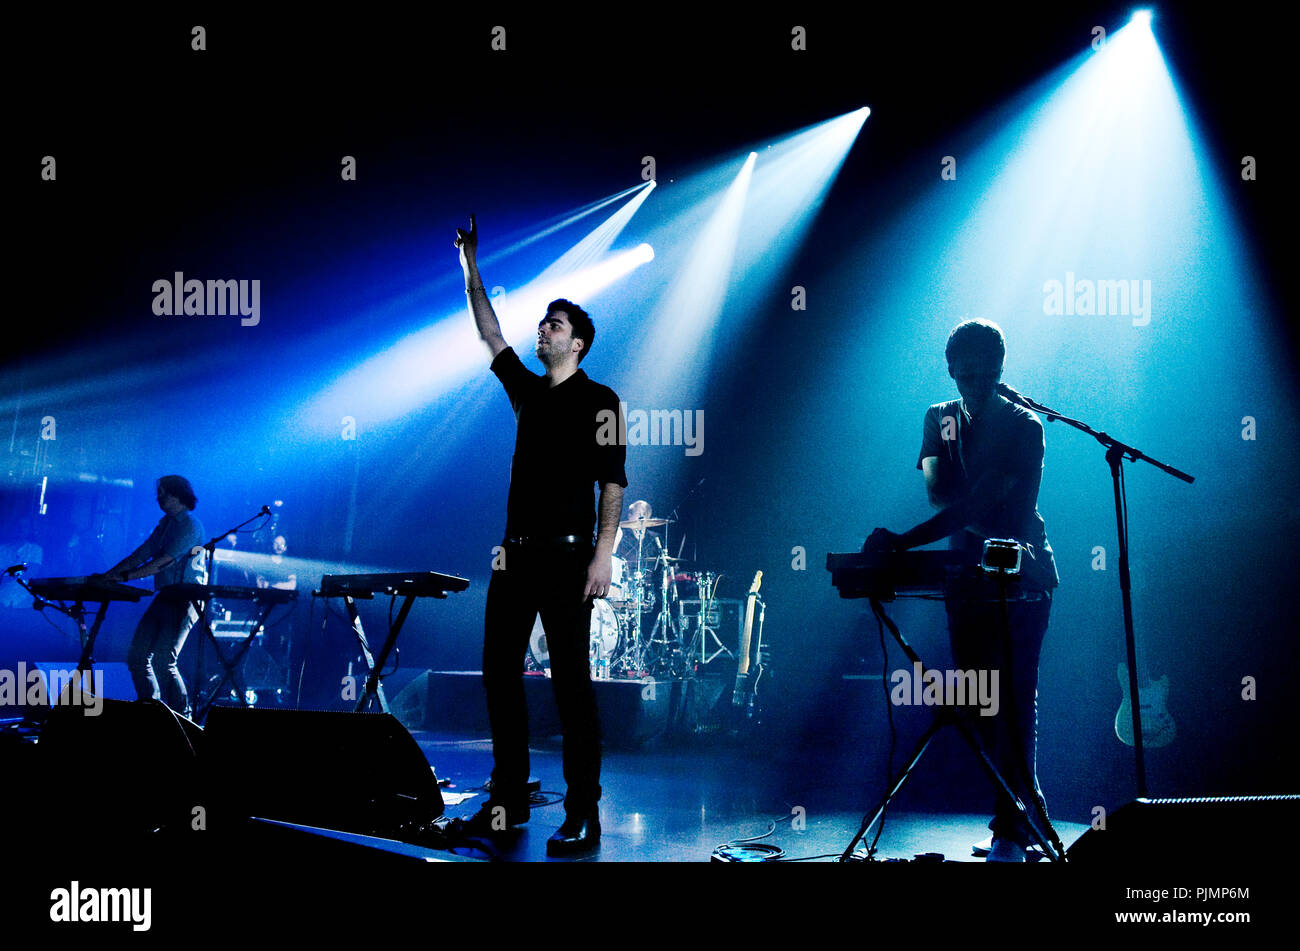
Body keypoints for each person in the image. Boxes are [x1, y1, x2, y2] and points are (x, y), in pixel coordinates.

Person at [453, 215, 627, 856]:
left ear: (577, 342)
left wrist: (603, 556)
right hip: (515, 558)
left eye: (554, 325)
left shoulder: (602, 400)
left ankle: (584, 811)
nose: (542, 329)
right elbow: (489, 329)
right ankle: (507, 802)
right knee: (499, 673)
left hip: (568, 559)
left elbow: (612, 481)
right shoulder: (526, 392)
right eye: (544, 323)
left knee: (571, 686)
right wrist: (470, 264)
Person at [863, 319, 1058, 862]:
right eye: (965, 373)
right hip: (967, 570)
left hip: (1023, 569)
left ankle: (1014, 828)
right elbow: (938, 497)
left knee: (1017, 699)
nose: (974, 382)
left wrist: (901, 543)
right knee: (983, 702)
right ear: (951, 370)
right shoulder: (938, 418)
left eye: (985, 372)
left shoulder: (1025, 424)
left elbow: (982, 505)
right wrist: (947, 451)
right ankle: (1021, 817)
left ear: (1000, 367)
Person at [96, 475, 207, 717]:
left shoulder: (189, 524)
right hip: (167, 594)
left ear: (177, 495)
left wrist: (123, 578)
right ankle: (151, 712)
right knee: (137, 656)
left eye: (164, 493)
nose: (159, 498)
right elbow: (142, 553)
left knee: (165, 660)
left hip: (186, 597)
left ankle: (184, 718)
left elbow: (162, 563)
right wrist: (109, 575)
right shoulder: (165, 524)